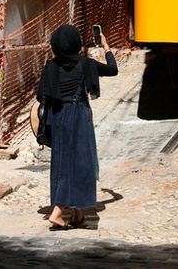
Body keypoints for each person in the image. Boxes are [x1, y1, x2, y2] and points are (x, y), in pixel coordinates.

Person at [36, 24, 118, 230]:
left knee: (63, 163)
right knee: (82, 163)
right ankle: (57, 212)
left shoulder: (51, 66)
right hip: (79, 115)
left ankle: (77, 214)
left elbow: (40, 96)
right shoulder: (87, 64)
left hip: (58, 117)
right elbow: (113, 69)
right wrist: (106, 47)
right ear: (76, 44)